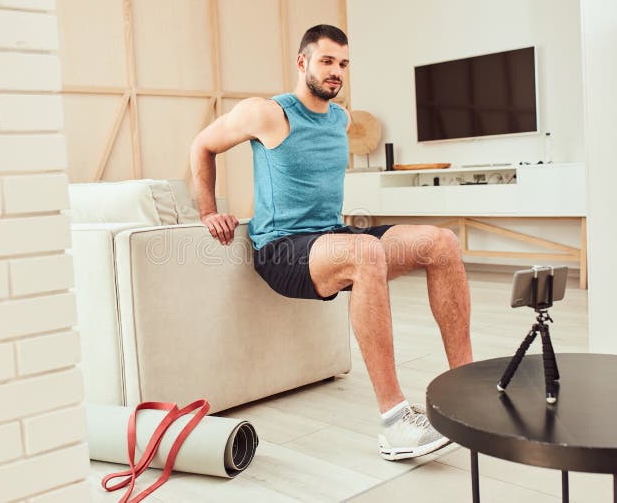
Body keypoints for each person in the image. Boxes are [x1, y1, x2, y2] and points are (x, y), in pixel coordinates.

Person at [189, 24, 473, 460]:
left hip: (332, 238)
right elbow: (202, 146)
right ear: (302, 62)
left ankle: (467, 389)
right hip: (282, 249)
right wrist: (209, 211)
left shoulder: (340, 118)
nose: (336, 71)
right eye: (327, 61)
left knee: (441, 242)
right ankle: (394, 421)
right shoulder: (266, 113)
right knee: (365, 251)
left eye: (343, 64)